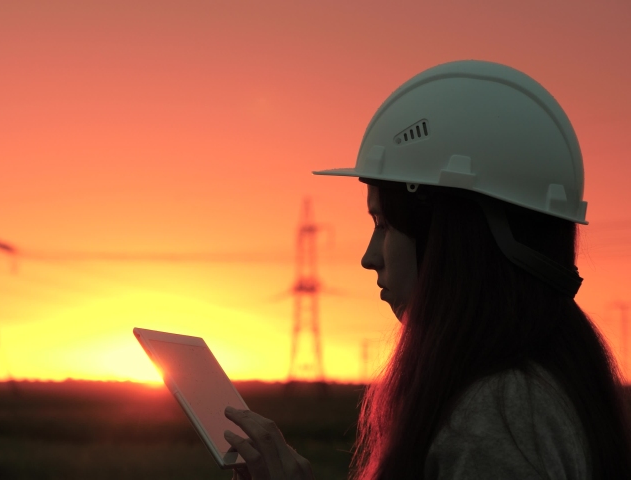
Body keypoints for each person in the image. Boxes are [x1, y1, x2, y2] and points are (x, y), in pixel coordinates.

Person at [223, 60, 631, 479]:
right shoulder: (540, 387)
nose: (369, 256)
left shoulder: (497, 416)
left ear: (450, 238)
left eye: (383, 224)